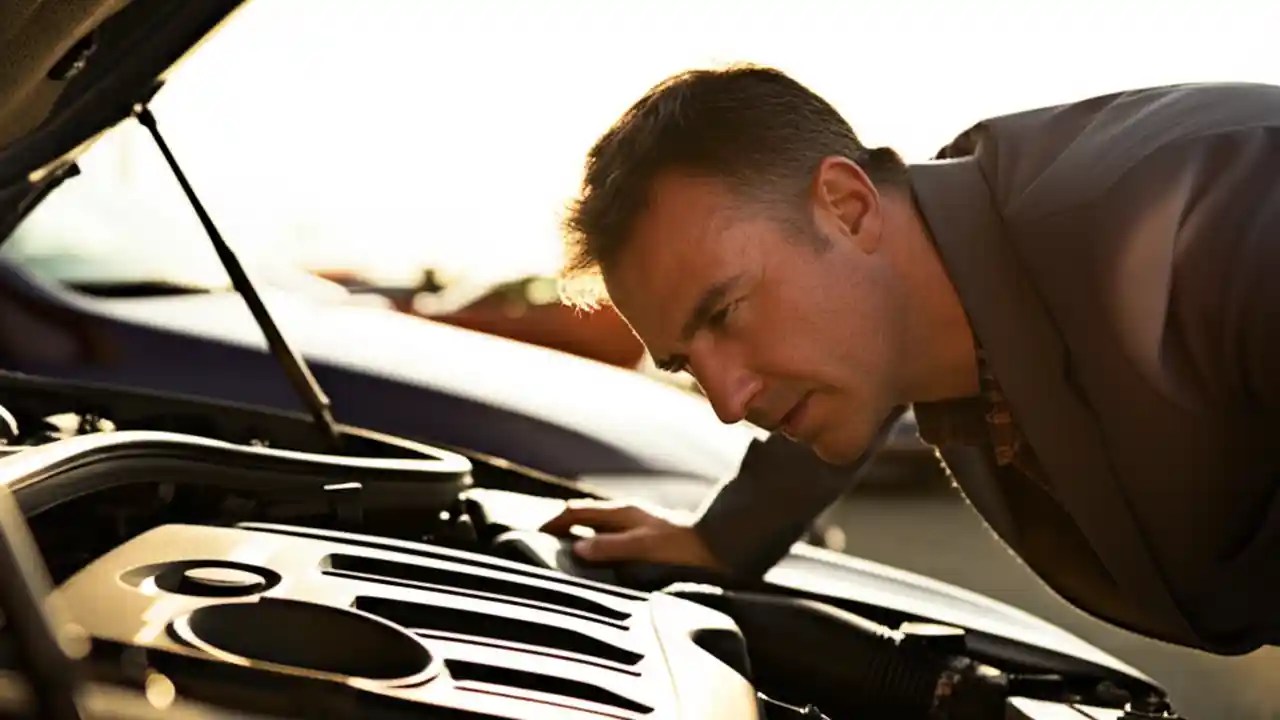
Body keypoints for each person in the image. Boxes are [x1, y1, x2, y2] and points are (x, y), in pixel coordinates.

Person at [538, 65, 1280, 656]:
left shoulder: (1201, 220)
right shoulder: (915, 286)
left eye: (725, 311)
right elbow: (843, 366)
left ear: (848, 206)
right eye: (685, 363)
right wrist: (721, 539)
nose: (729, 402)